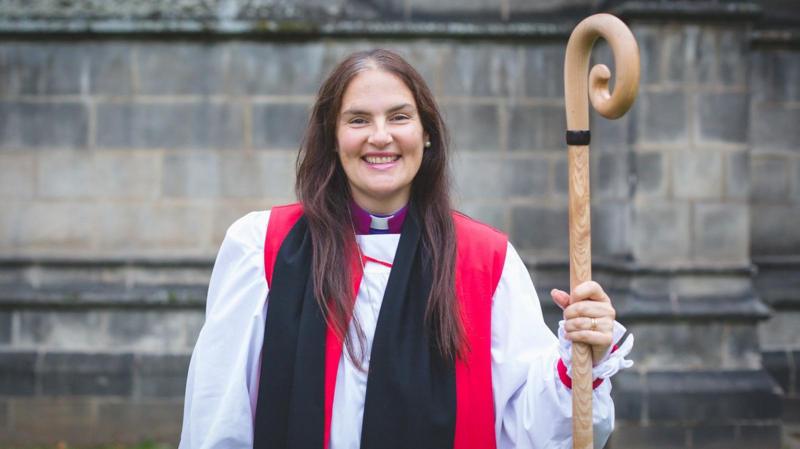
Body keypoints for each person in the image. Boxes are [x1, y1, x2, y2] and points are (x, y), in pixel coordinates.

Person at [179, 48, 633, 449]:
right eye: (358, 120)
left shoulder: (484, 261)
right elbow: (217, 416)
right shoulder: (264, 248)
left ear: (427, 133)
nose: (380, 136)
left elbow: (528, 428)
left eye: (399, 117)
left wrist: (578, 361)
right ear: (333, 139)